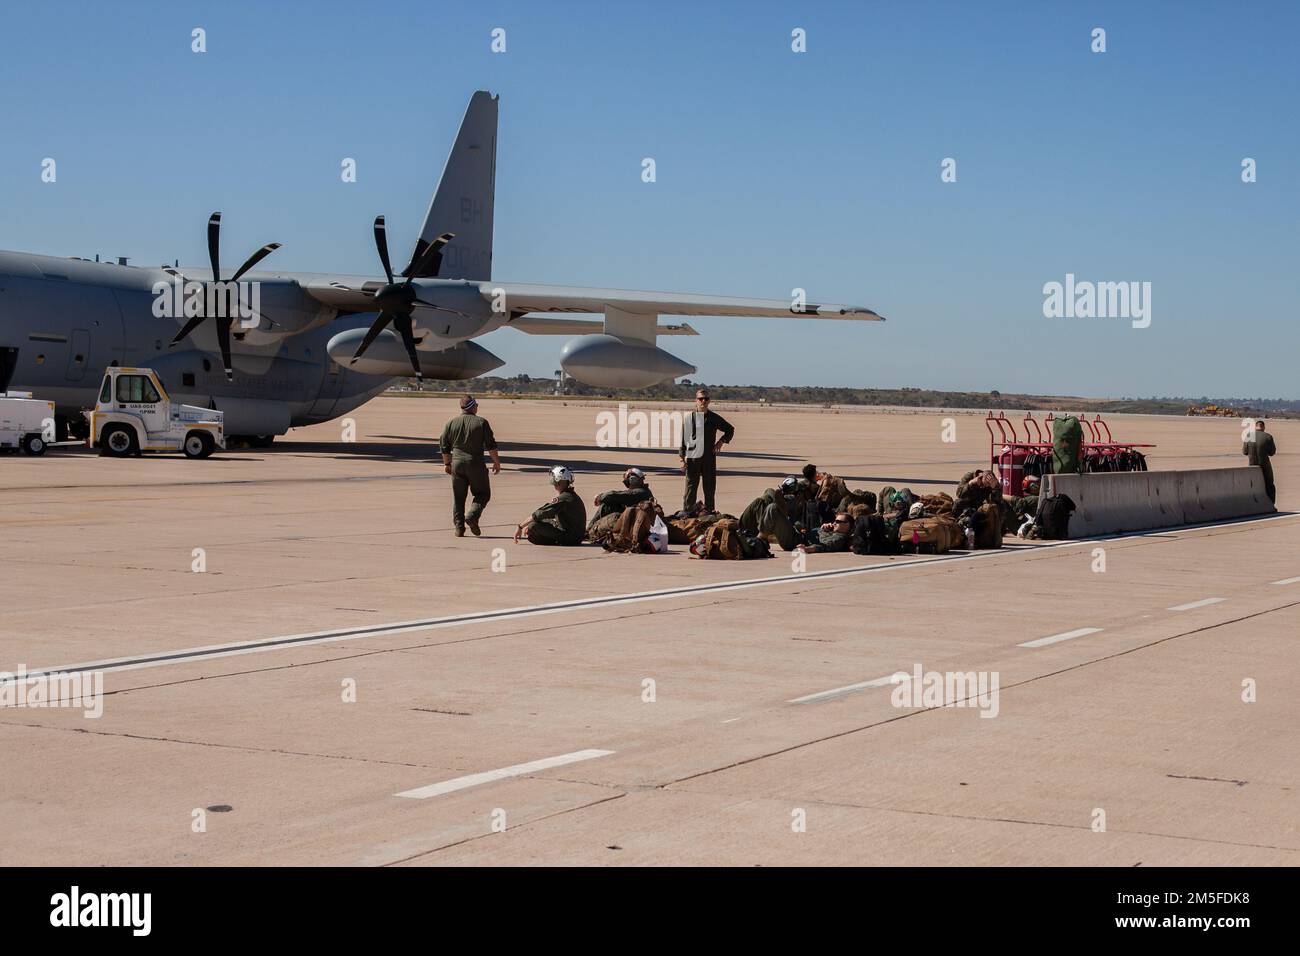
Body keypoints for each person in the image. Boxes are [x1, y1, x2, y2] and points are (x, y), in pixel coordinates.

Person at [439, 394, 501, 537]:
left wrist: (447, 463)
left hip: (457, 464)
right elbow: (491, 445)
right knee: (483, 493)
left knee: (459, 497)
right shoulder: (481, 422)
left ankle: (459, 528)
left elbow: (444, 446)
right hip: (476, 463)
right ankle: (472, 515)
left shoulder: (451, 423)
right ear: (473, 406)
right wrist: (496, 462)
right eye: (476, 405)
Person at [678, 388, 735, 512]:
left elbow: (730, 429)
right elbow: (683, 441)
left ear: (709, 401)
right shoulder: (689, 419)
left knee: (709, 488)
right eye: (700, 399)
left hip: (709, 458)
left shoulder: (714, 418)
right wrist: (682, 459)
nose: (703, 401)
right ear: (696, 401)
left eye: (706, 399)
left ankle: (709, 513)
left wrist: (721, 442)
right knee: (690, 488)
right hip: (693, 458)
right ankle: (687, 513)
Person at [516, 466, 587, 546]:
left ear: (559, 481)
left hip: (570, 538)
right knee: (535, 525)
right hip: (574, 536)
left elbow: (541, 513)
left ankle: (557, 541)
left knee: (533, 526)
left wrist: (520, 527)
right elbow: (551, 517)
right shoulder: (569, 495)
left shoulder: (564, 498)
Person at [738, 478, 800, 551]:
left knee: (767, 495)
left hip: (752, 527)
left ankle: (777, 502)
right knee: (768, 497)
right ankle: (777, 502)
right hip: (748, 529)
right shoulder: (761, 503)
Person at [587, 467, 655, 528]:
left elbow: (611, 496)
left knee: (606, 505)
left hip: (636, 524)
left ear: (632, 480)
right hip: (641, 523)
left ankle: (590, 529)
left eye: (627, 480)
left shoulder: (636, 493)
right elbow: (621, 495)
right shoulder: (644, 491)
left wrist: (599, 498)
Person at [1243, 420, 1278, 504]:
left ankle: (1254, 503)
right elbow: (1272, 453)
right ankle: (1270, 504)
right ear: (1263, 427)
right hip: (1264, 464)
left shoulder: (1249, 435)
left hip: (1252, 464)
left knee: (1253, 485)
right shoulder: (1268, 437)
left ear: (1255, 426)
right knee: (1269, 484)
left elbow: (1245, 452)